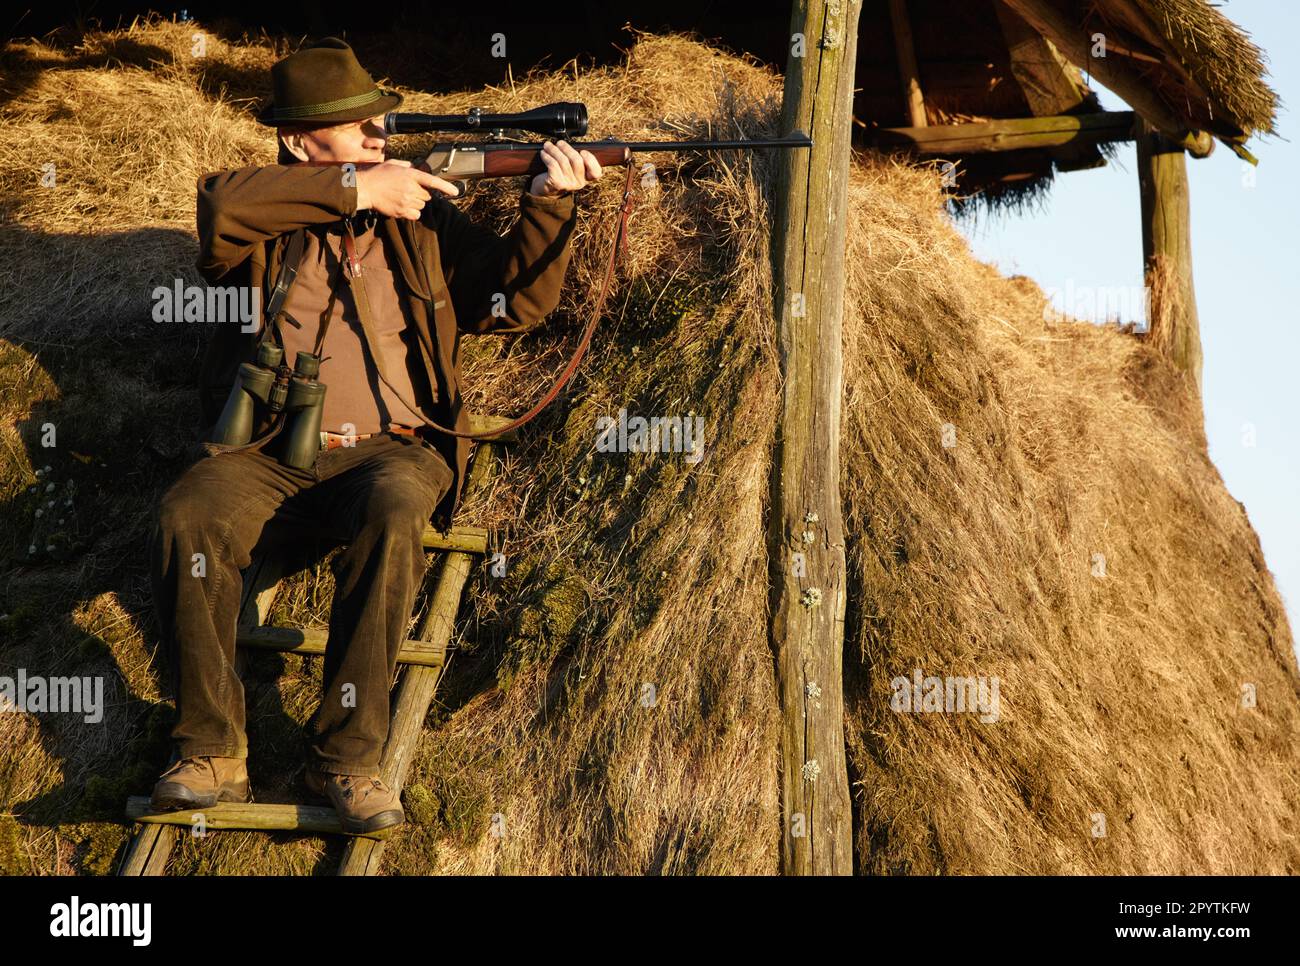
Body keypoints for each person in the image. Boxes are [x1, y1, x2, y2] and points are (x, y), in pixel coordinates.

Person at [148, 37, 602, 834]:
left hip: (392, 448)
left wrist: (550, 204)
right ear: (298, 142)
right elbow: (220, 208)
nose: (377, 138)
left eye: (378, 126)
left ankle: (347, 758)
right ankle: (209, 750)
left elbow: (515, 305)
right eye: (356, 129)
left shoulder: (424, 220)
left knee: (396, 511)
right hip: (266, 454)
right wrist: (357, 187)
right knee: (190, 515)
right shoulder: (266, 217)